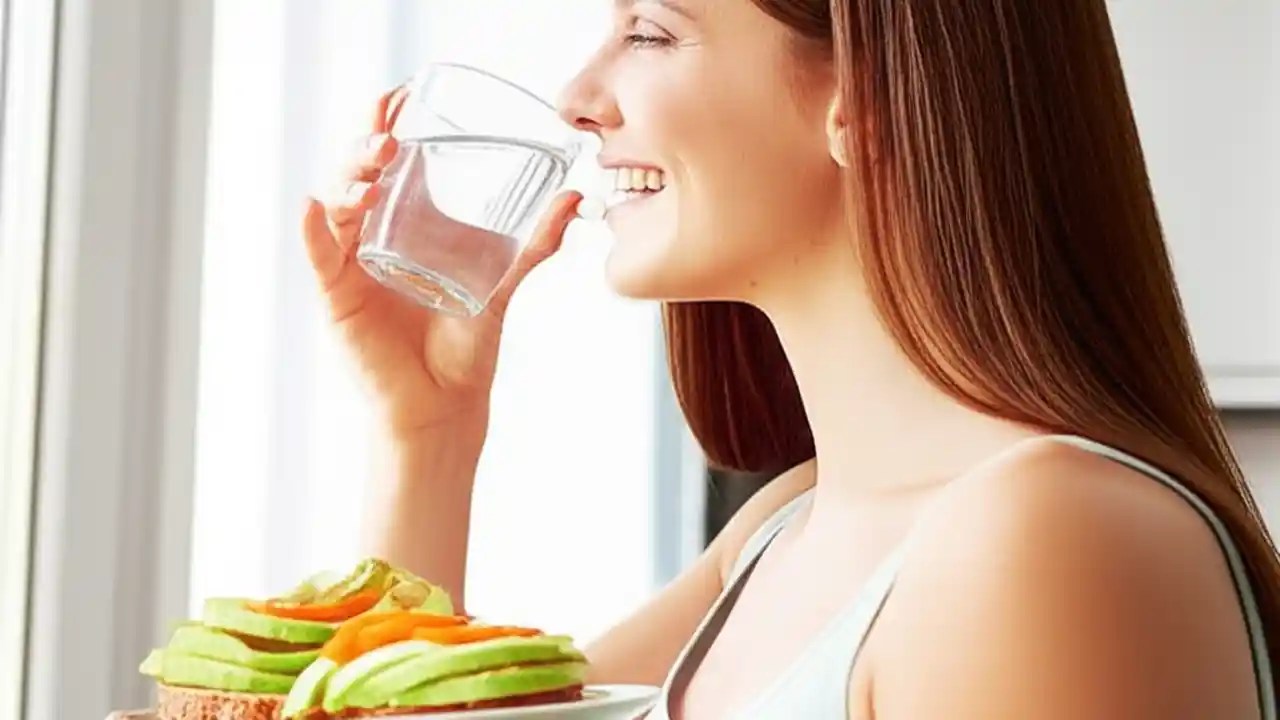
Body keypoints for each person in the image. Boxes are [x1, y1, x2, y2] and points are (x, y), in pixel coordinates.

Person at [300, 1, 1280, 717]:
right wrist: (425, 429)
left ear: (862, 94)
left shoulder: (1046, 532)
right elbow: (415, 701)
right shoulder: (785, 531)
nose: (577, 98)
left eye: (649, 31)